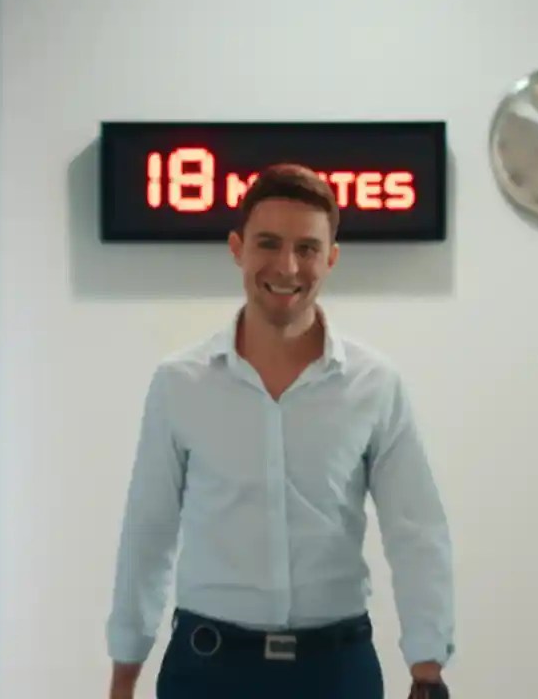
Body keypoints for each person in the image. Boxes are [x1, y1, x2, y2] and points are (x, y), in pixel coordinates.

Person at [105, 163, 455, 699]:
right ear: (237, 248)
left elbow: (416, 530)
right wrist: (125, 668)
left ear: (331, 257)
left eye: (308, 248)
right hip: (207, 670)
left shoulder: (375, 384)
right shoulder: (180, 383)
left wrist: (427, 668)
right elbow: (147, 530)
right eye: (268, 244)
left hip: (337, 672)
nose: (287, 266)